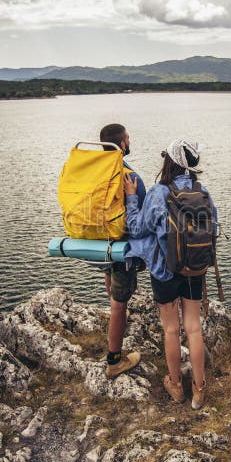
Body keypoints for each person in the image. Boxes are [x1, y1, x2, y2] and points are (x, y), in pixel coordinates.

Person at [122, 139, 217, 409]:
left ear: (169, 162)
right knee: (194, 327)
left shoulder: (158, 193)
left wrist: (131, 197)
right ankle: (199, 390)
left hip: (164, 271)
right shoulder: (203, 191)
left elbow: (136, 228)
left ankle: (175, 386)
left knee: (171, 329)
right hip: (195, 269)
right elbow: (213, 228)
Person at [99, 123, 146, 378]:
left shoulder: (97, 173)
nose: (130, 140)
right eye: (128, 137)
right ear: (122, 144)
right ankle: (115, 360)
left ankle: (114, 335)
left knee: (113, 294)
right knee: (119, 304)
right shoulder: (130, 177)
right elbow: (139, 224)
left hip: (101, 245)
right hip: (123, 251)